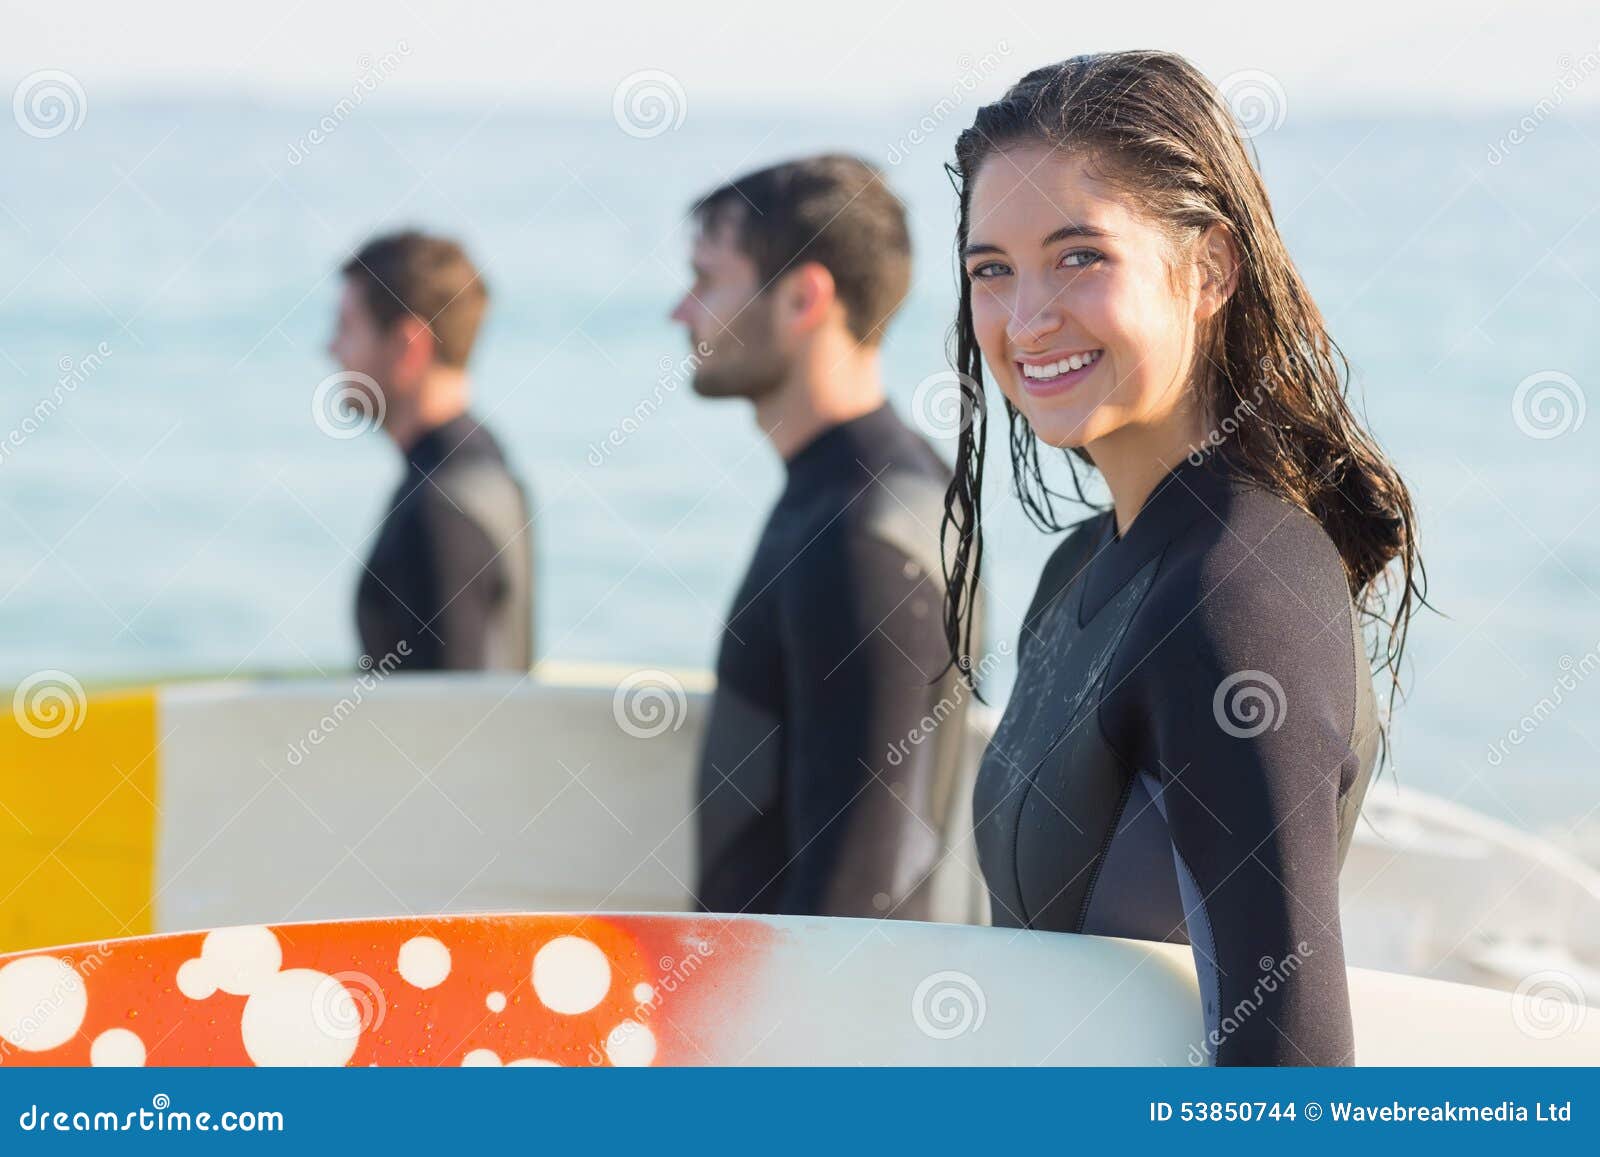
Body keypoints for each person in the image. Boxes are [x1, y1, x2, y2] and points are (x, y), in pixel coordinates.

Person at [940, 52, 1426, 1065]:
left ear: (1209, 268)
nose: (1026, 318)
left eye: (1079, 256)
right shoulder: (1084, 565)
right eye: (992, 269)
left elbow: (1292, 1079)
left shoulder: (1234, 594)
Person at [671, 155, 976, 919]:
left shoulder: (856, 540)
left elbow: (853, 903)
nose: (683, 311)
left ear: (805, 297)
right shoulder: (884, 486)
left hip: (811, 1025)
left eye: (709, 280)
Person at [328, 230, 534, 671]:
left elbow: (447, 718)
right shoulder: (488, 465)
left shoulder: (438, 509)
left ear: (408, 347)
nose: (331, 349)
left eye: (347, 328)